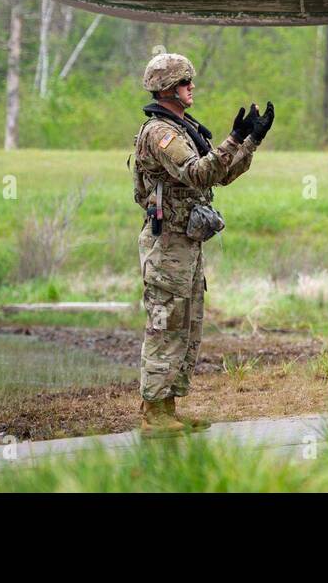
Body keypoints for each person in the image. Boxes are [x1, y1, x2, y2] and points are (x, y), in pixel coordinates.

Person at [130, 52, 274, 436]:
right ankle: (153, 413)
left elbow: (218, 176)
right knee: (165, 324)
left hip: (186, 244)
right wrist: (232, 139)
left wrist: (249, 142)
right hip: (168, 245)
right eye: (184, 82)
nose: (191, 86)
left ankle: (168, 408)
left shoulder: (183, 129)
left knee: (187, 324)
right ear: (166, 90)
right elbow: (197, 173)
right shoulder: (160, 134)